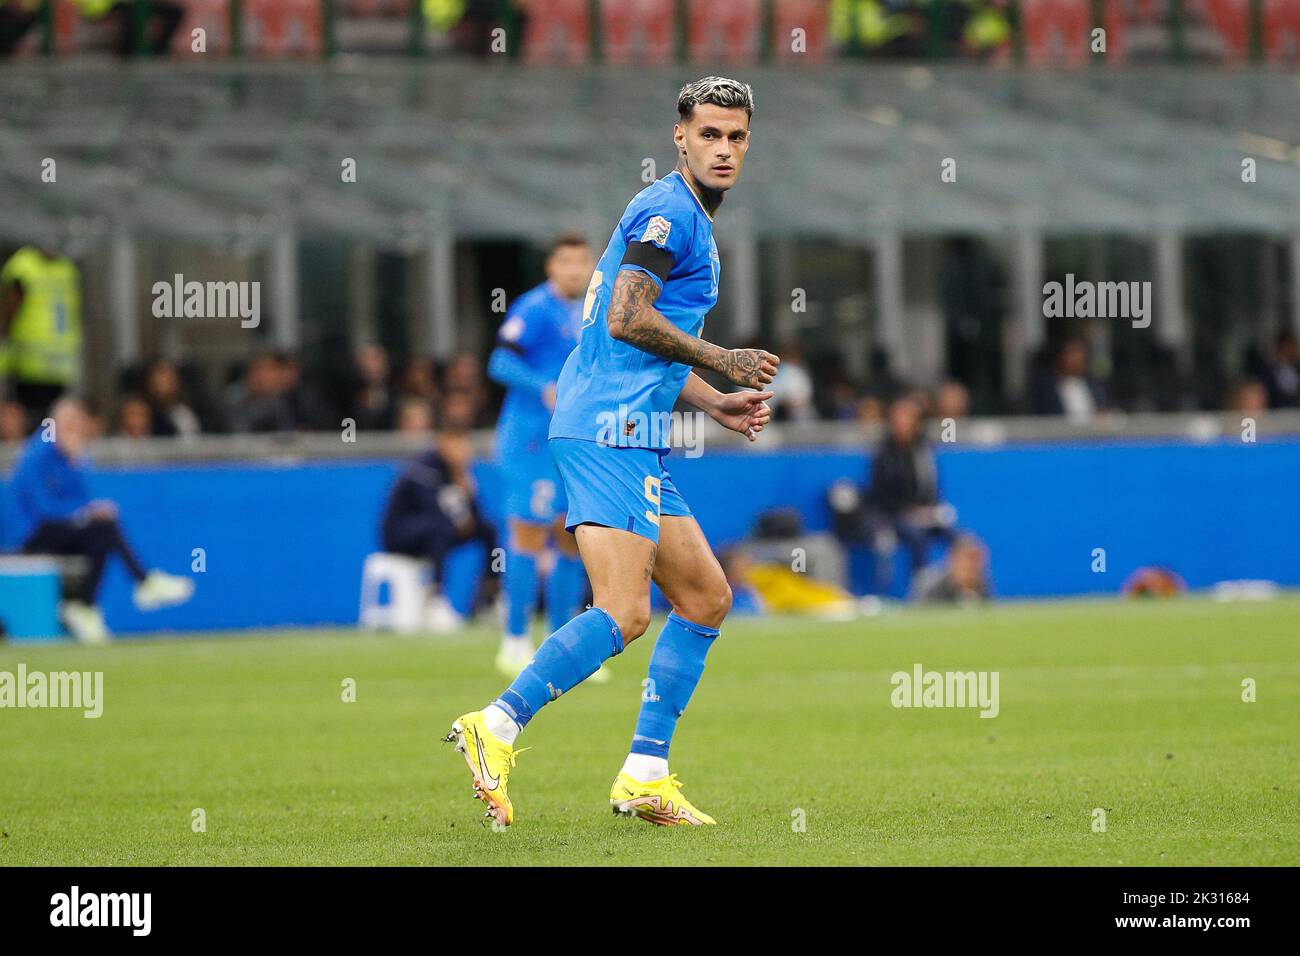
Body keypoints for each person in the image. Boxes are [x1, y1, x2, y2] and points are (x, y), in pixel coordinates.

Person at [446, 76, 777, 828]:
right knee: (625, 611)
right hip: (607, 433)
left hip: (633, 432)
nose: (724, 149)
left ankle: (644, 774)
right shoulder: (667, 211)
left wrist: (710, 398)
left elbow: (633, 342)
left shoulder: (686, 216)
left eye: (737, 137)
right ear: (680, 137)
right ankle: (494, 725)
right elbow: (627, 318)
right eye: (710, 135)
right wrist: (723, 359)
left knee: (704, 598)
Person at [486, 233, 596, 678]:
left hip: (570, 441)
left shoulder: (593, 311)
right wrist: (543, 387)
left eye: (581, 262)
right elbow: (499, 363)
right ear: (551, 267)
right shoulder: (533, 308)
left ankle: (561, 646)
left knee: (571, 535)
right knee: (529, 533)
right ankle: (514, 640)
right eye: (565, 261)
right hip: (529, 442)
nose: (574, 270)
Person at [8, 397, 194, 643]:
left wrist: (79, 477)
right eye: (68, 423)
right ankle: (135, 585)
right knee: (103, 528)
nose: (75, 430)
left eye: (78, 424)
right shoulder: (36, 454)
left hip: (60, 529)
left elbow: (82, 497)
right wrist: (86, 512)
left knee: (103, 530)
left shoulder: (74, 455)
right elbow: (43, 508)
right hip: (30, 533)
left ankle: (93, 604)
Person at [379, 420, 495, 632]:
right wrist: (460, 514)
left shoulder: (460, 472)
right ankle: (435, 599)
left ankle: (488, 598)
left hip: (437, 532)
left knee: (488, 529)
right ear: (444, 443)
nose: (464, 452)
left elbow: (473, 520)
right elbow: (435, 512)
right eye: (458, 445)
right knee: (439, 528)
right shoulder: (422, 469)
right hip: (400, 536)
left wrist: (468, 493)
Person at [864, 395, 956, 594]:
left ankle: (962, 591)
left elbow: (931, 486)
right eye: (899, 419)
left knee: (959, 537)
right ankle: (921, 592)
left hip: (924, 514)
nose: (903, 425)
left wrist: (932, 510)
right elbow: (880, 497)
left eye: (909, 419)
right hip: (891, 517)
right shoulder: (883, 454)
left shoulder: (924, 451)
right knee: (917, 536)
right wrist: (910, 512)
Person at [0, 244, 82, 429]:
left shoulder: (66, 269)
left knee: (50, 423)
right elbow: (10, 308)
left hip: (58, 367)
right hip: (29, 366)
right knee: (28, 421)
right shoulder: (24, 266)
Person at [910, 533, 991, 605]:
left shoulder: (982, 584)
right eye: (969, 559)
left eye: (977, 559)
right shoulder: (931, 584)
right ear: (953, 559)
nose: (973, 566)